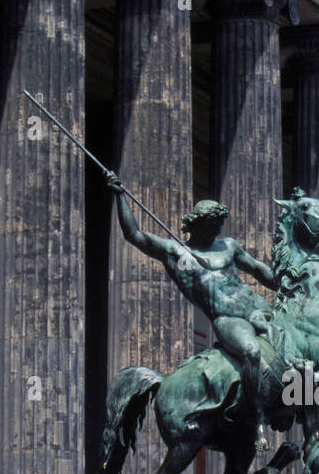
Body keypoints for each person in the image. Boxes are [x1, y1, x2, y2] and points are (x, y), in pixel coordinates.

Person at [107, 174, 276, 451]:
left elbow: (258, 269)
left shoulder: (229, 246)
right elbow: (135, 235)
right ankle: (258, 421)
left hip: (258, 307)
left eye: (219, 225)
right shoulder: (177, 253)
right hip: (229, 319)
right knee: (252, 352)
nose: (217, 230)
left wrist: (284, 280)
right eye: (212, 225)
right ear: (197, 224)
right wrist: (120, 195)